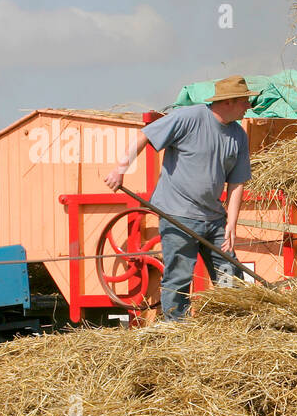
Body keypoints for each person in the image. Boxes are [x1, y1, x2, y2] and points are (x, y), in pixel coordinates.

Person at [104, 75, 255, 321]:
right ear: (228, 102)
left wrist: (232, 224)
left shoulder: (238, 135)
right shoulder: (189, 118)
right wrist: (120, 170)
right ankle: (176, 330)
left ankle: (235, 325)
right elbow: (145, 135)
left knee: (229, 273)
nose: (248, 106)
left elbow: (237, 182)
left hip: (214, 218)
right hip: (177, 213)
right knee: (179, 275)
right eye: (244, 101)